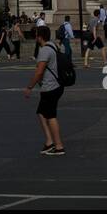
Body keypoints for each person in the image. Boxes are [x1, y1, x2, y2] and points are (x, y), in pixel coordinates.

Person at [24, 25, 65, 156]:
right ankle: (49, 142)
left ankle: (58, 146)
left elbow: (39, 71)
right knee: (41, 112)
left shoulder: (44, 50)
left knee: (51, 116)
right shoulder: (53, 46)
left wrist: (29, 87)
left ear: (39, 37)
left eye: (36, 34)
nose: (35, 37)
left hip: (50, 87)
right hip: (55, 85)